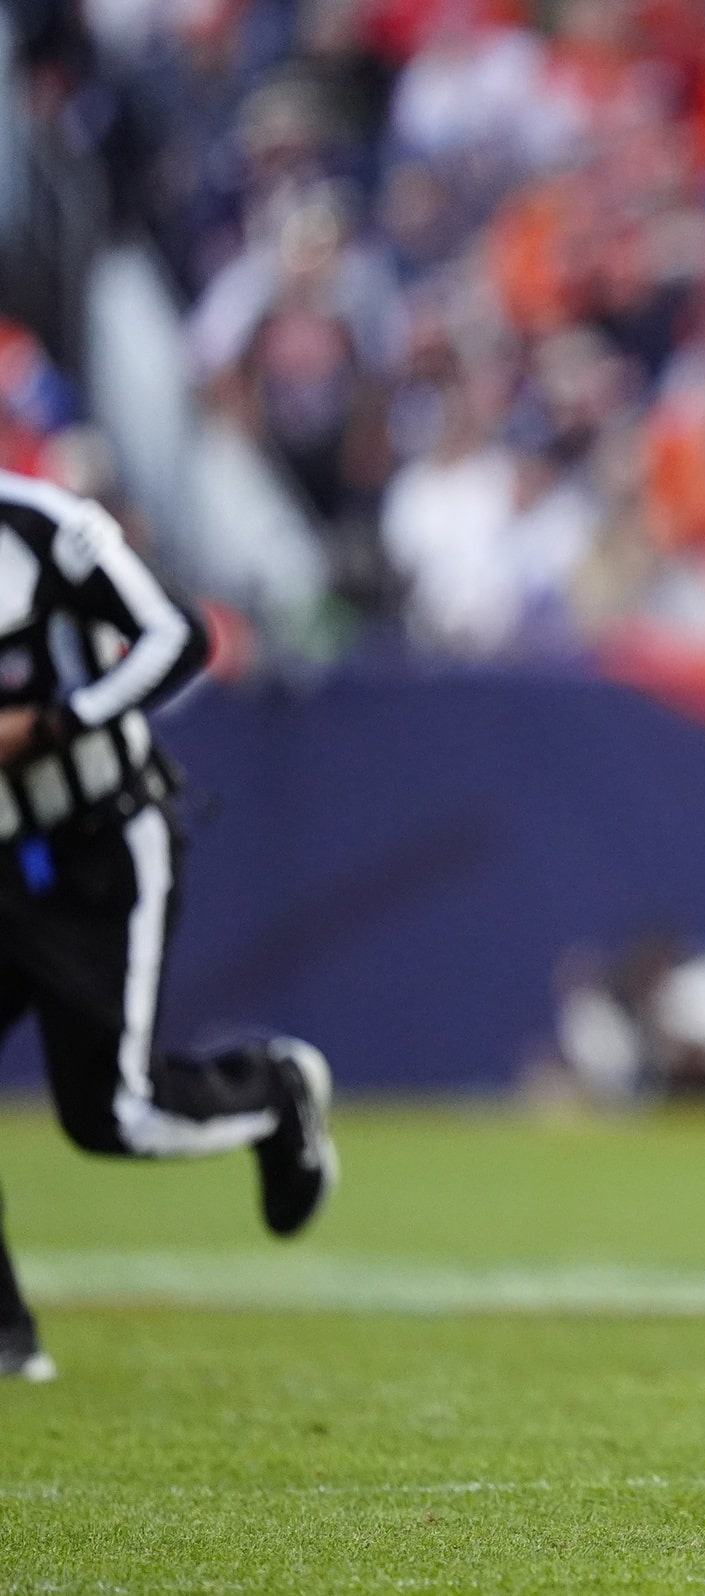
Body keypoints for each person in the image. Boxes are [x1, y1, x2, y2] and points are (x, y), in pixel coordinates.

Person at [0, 472, 338, 1382]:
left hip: (95, 841)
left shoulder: (44, 529)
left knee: (113, 1113)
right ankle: (4, 1333)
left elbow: (183, 636)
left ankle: (272, 1092)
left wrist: (57, 721)